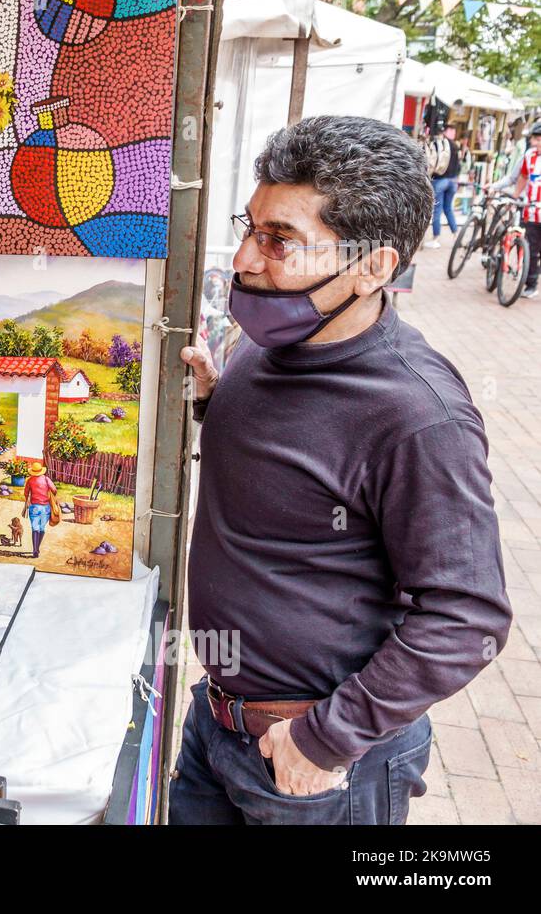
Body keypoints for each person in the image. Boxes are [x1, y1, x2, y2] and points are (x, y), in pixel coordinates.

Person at [172, 115, 510, 825]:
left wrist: (323, 740)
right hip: (215, 728)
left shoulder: (419, 414)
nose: (243, 260)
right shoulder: (270, 337)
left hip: (316, 767)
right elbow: (299, 472)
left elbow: (465, 616)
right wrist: (213, 401)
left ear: (373, 266)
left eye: (280, 241)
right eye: (251, 226)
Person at [488, 121, 541, 298]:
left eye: (538, 140)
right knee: (531, 250)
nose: (535, 143)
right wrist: (517, 197)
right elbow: (522, 177)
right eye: (534, 139)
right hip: (531, 212)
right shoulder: (530, 155)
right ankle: (531, 283)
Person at [425, 126, 459, 248]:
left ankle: (436, 238)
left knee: (437, 210)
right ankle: (456, 235)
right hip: (453, 180)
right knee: (448, 208)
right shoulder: (454, 145)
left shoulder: (436, 144)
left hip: (440, 180)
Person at [21, 462, 58, 559]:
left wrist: (28, 500)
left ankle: (35, 550)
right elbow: (54, 490)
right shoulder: (46, 479)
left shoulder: (30, 480)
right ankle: (37, 548)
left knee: (35, 528)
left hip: (34, 507)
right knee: (41, 528)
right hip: (45, 507)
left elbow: (26, 493)